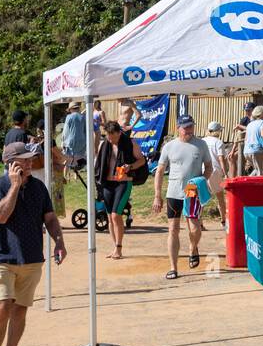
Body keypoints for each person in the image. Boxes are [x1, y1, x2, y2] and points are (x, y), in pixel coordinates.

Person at [0, 142, 66, 346]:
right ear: (10, 162)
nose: (30, 163)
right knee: (1, 307)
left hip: (31, 258)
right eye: (25, 159)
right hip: (2, 257)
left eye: (31, 159)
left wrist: (59, 241)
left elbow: (49, 217)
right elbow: (0, 216)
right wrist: (15, 186)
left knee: (19, 311)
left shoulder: (39, 187)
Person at [153, 115, 213, 280]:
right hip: (173, 193)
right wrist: (157, 195)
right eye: (186, 127)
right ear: (178, 128)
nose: (189, 130)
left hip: (193, 191)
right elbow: (159, 171)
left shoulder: (201, 144)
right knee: (173, 229)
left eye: (191, 126)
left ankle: (193, 248)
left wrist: (202, 180)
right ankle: (173, 267)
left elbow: (209, 166)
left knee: (194, 228)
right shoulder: (169, 146)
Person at [96, 120, 146, 260]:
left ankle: (119, 247)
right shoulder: (104, 144)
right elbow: (99, 164)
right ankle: (115, 247)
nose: (110, 139)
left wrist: (130, 167)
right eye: (108, 136)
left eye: (113, 136)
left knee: (115, 215)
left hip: (123, 182)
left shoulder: (130, 143)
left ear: (119, 133)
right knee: (109, 218)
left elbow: (142, 160)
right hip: (107, 183)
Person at [202, 121, 228, 205]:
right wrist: (225, 173)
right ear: (217, 131)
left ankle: (198, 216)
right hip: (215, 171)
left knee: (202, 197)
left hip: (202, 170)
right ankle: (224, 218)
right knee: (220, 197)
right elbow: (221, 159)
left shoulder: (202, 141)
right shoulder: (218, 142)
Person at [61, 101, 87, 180]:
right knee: (78, 159)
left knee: (68, 159)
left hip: (70, 141)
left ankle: (65, 176)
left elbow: (66, 130)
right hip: (82, 140)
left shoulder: (69, 117)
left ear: (71, 109)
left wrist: (63, 141)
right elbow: (85, 130)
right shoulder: (83, 117)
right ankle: (76, 176)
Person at [243, 104, 263, 175]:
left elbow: (246, 139)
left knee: (257, 169)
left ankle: (248, 181)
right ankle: (255, 185)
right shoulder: (262, 122)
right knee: (261, 172)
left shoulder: (250, 124)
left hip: (246, 151)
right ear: (261, 114)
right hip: (256, 150)